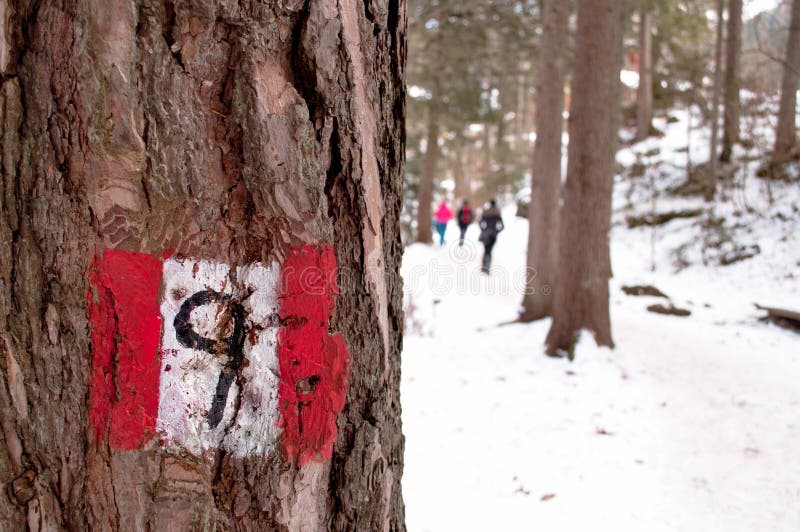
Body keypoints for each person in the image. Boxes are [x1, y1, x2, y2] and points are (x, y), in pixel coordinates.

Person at [478, 198, 504, 273]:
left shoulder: (486, 212)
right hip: (493, 235)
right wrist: (497, 231)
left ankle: (483, 267)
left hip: (486, 234)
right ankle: (487, 267)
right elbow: (502, 226)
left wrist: (483, 229)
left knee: (486, 250)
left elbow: (480, 222)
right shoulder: (497, 213)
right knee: (489, 251)